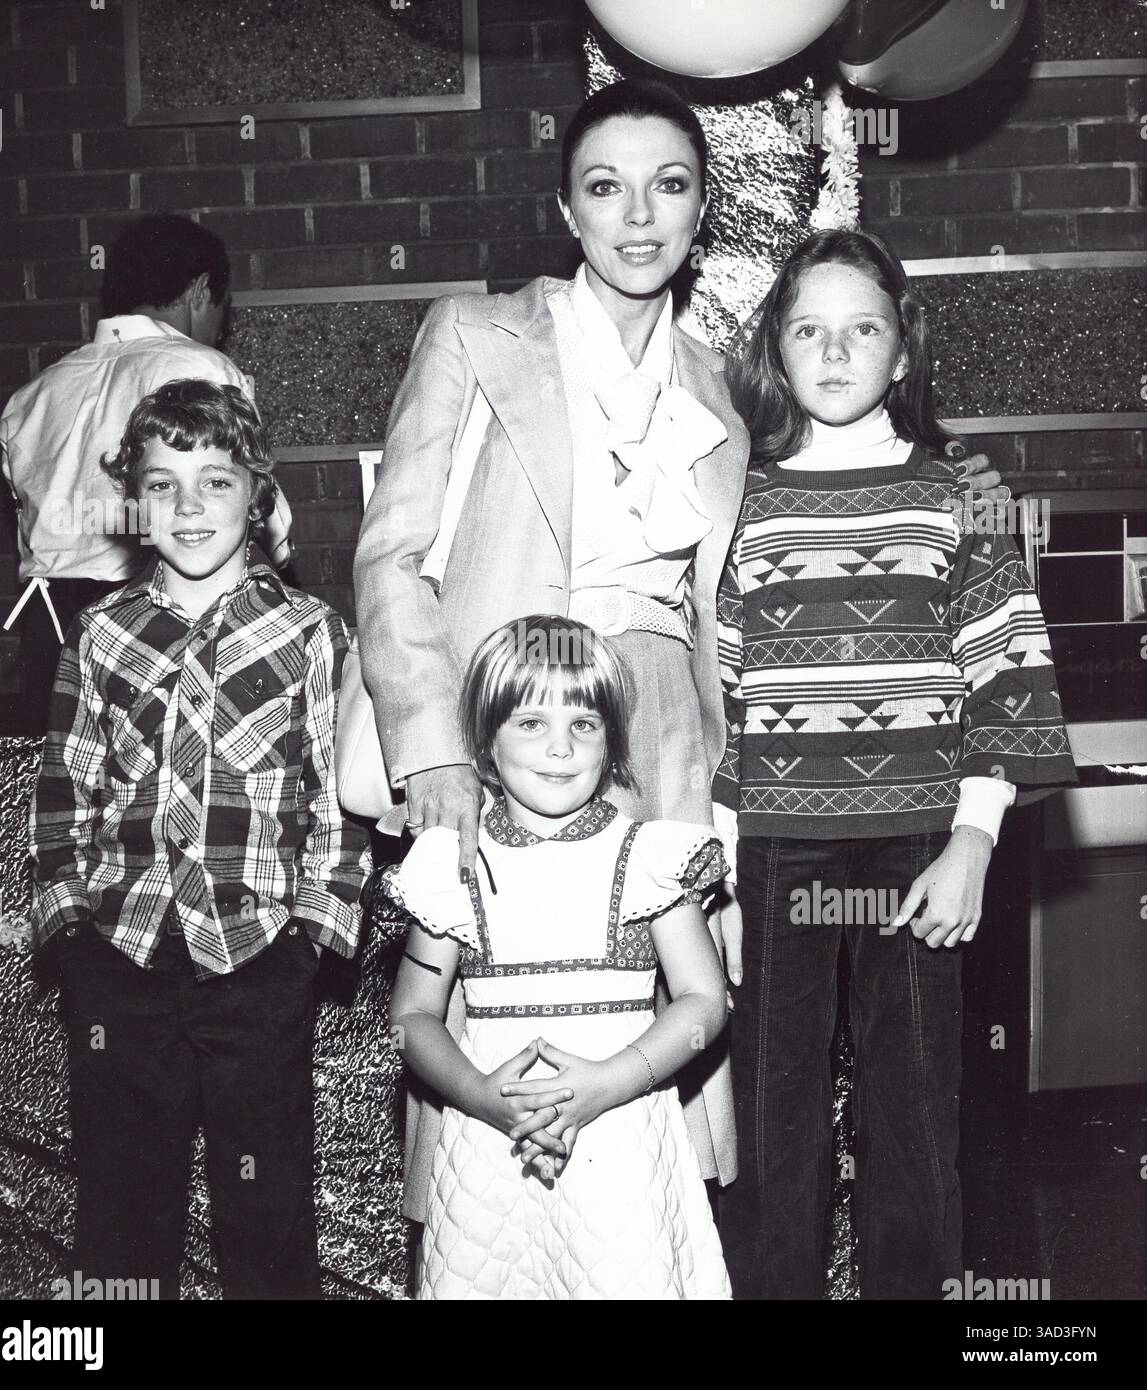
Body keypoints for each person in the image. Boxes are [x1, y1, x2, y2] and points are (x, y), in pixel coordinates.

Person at [353, 77, 1005, 1231]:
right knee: (492, 1020)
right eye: (606, 187)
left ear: (704, 210)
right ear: (566, 209)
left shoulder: (722, 390)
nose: (638, 215)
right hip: (506, 720)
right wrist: (431, 751)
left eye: (669, 186)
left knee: (669, 1032)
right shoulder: (473, 332)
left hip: (667, 737)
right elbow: (391, 554)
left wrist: (966, 490)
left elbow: (783, 570)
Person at [713, 229, 1076, 1300]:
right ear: (776, 352)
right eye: (808, 331)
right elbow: (720, 691)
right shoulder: (741, 498)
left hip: (918, 844)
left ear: (902, 352)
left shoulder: (962, 486)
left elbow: (1007, 664)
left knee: (914, 1113)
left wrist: (972, 840)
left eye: (861, 328)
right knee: (772, 1119)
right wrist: (717, 874)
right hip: (774, 851)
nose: (835, 352)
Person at [28, 379, 368, 1299]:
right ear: (133, 500)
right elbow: (64, 790)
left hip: (257, 955)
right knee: (121, 1211)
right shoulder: (102, 635)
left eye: (214, 481)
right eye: (162, 483)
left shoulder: (310, 634)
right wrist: (69, 930)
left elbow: (338, 804)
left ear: (257, 496)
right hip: (121, 953)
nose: (188, 506)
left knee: (266, 1210)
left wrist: (314, 936)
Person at [384, 615, 731, 1299]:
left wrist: (608, 1082)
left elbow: (702, 1000)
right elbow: (414, 1016)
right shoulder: (449, 863)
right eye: (529, 724)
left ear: (611, 740)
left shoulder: (649, 857)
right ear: (485, 741)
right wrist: (479, 1096)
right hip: (490, 1143)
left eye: (583, 725)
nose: (560, 748)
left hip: (620, 1130)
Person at [0, 213, 292, 735]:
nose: (220, 326)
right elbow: (262, 514)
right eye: (222, 310)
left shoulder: (30, 395)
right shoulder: (204, 369)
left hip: (46, 624)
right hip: (156, 618)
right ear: (200, 291)